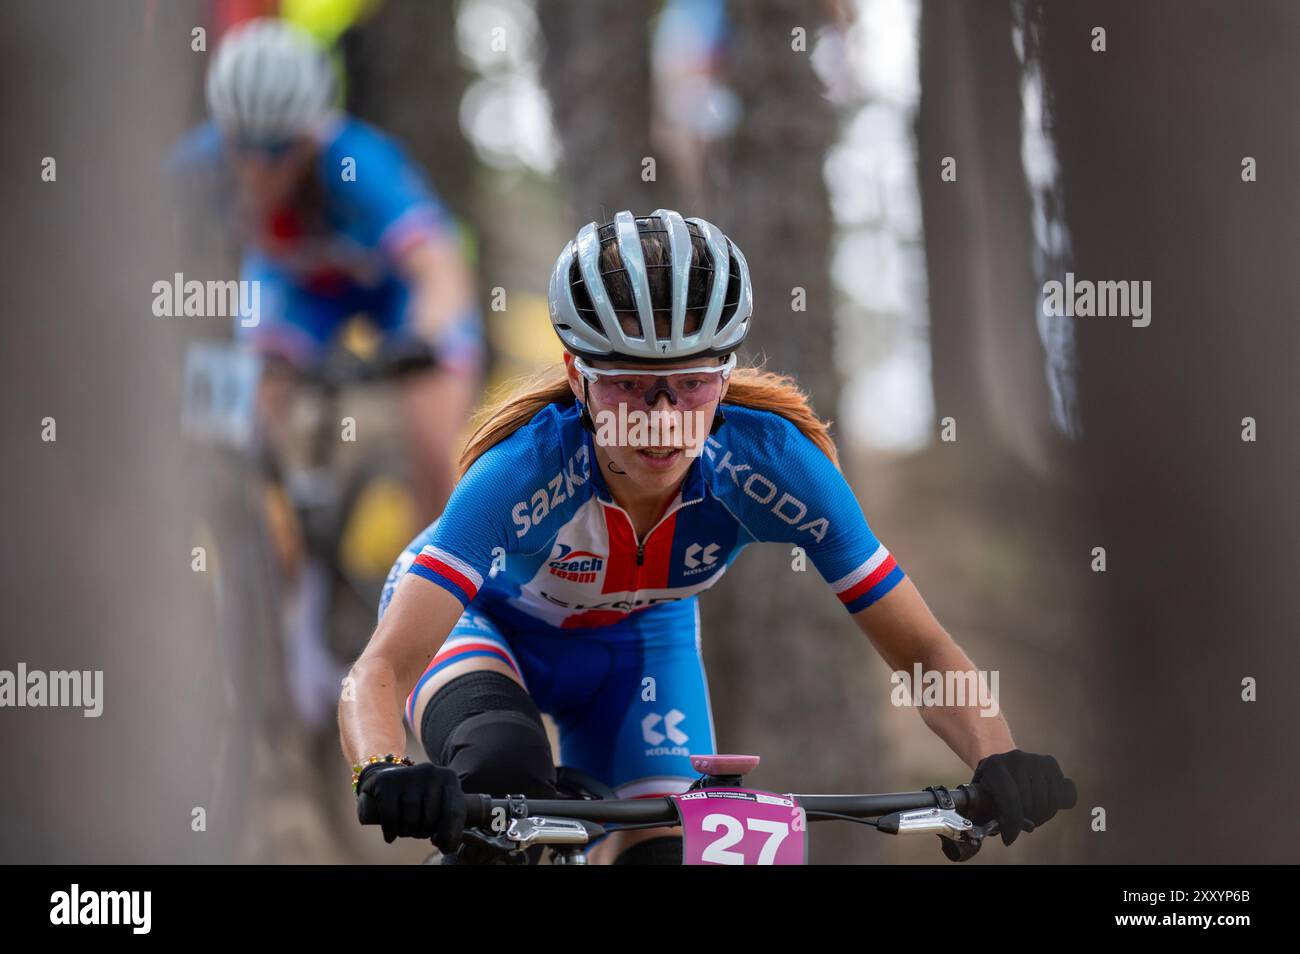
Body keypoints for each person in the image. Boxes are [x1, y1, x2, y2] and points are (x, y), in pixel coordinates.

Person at [340, 209, 1074, 864]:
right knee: (503, 776)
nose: (661, 417)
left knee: (668, 859)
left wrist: (998, 759)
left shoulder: (778, 464)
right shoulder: (521, 471)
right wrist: (383, 770)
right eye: (627, 384)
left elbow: (922, 653)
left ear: (725, 376)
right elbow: (376, 674)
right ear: (576, 374)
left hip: (640, 648)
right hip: (483, 626)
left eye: (690, 382)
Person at [170, 18, 484, 729]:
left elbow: (437, 267)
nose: (258, 170)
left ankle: (438, 639)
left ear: (312, 132)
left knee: (437, 446)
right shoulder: (202, 161)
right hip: (302, 295)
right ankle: (274, 575)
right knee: (233, 415)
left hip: (401, 290)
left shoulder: (359, 162)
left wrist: (424, 341)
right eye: (241, 149)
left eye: (277, 150)